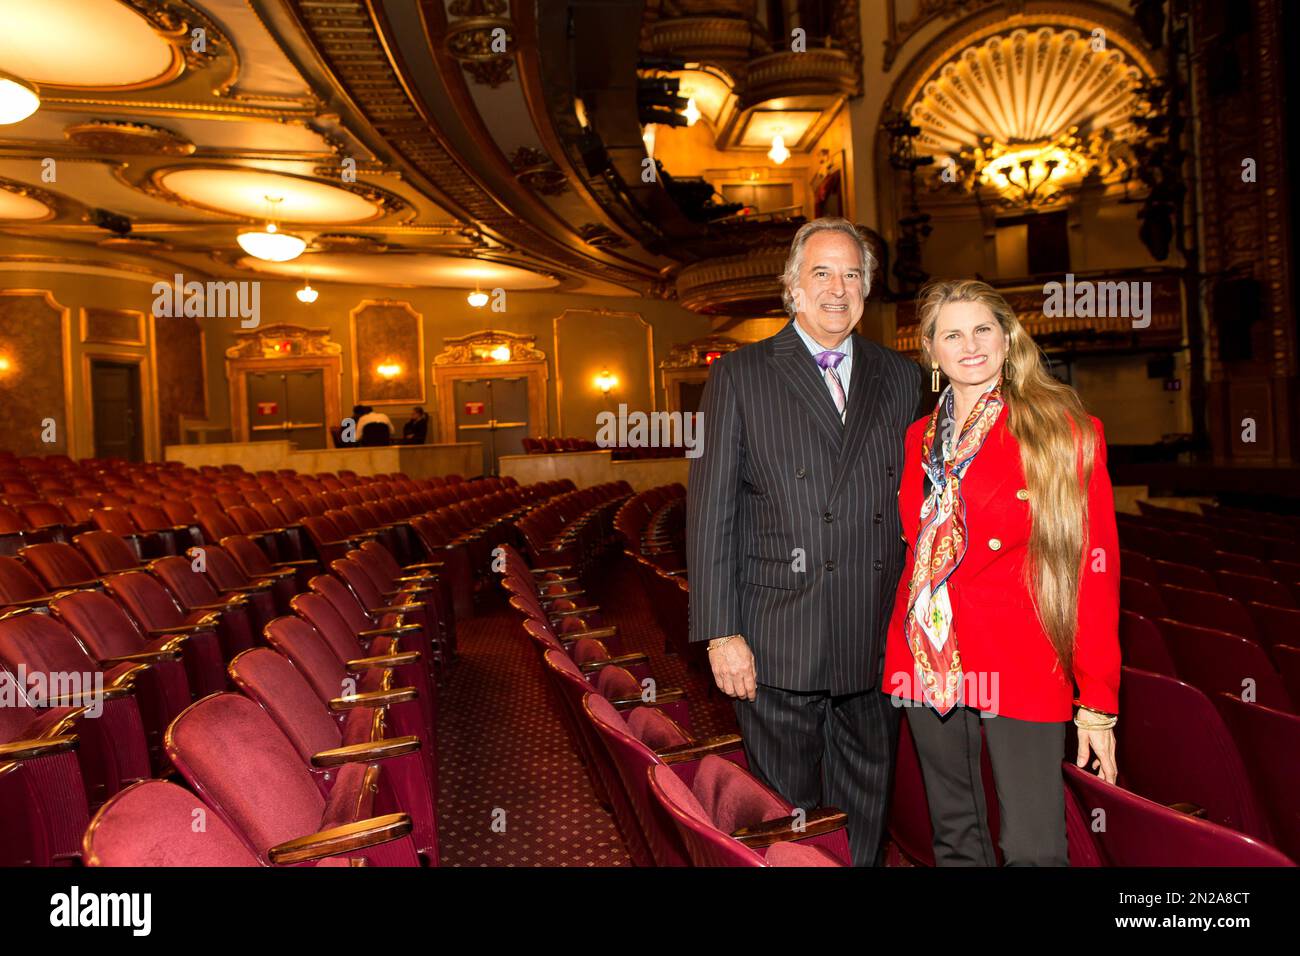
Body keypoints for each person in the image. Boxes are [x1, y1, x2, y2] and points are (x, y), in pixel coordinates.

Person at [686, 217, 923, 867]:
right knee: (791, 818)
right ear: (793, 288)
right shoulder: (739, 375)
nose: (837, 288)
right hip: (776, 639)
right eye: (821, 273)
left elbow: (916, 510)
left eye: (851, 274)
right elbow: (710, 512)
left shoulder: (901, 379)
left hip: (876, 636)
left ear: (867, 290)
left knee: (866, 807)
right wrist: (720, 631)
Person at [883, 279, 1120, 866]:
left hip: (1021, 657)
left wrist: (1096, 699)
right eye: (952, 334)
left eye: (983, 329)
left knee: (1032, 847)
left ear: (1008, 339)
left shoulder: (1060, 429)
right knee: (956, 838)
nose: (970, 345)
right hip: (926, 655)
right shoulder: (918, 438)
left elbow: (1094, 567)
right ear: (931, 351)